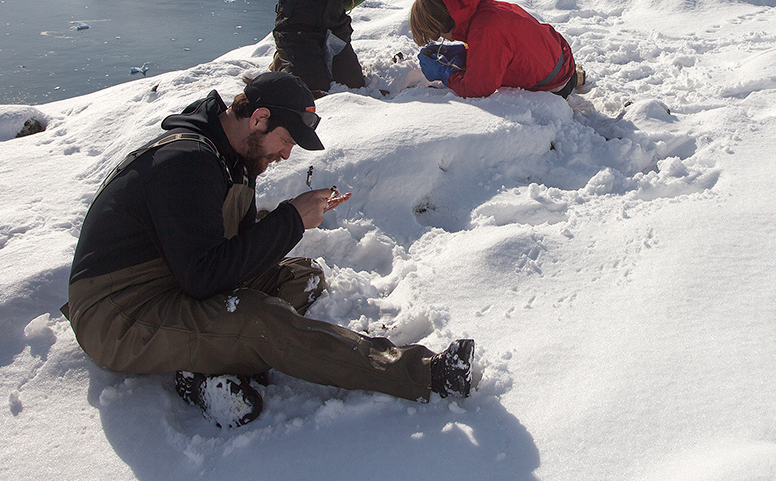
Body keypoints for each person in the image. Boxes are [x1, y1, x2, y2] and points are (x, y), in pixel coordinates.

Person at [64, 71, 473, 428]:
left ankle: (205, 364)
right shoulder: (186, 162)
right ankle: (425, 374)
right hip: (117, 312)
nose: (286, 153)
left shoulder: (233, 155)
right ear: (259, 119)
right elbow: (204, 277)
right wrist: (290, 220)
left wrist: (288, 219)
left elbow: (228, 249)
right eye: (286, 140)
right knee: (261, 320)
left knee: (302, 276)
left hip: (173, 276)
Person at [408, 0, 584, 99]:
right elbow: (502, 47)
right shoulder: (480, 10)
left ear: (441, 26)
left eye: (437, 35)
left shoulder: (483, 30)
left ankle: (572, 81)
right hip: (561, 58)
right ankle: (576, 77)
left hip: (555, 85)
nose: (444, 39)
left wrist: (446, 74)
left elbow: (477, 89)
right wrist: (466, 53)